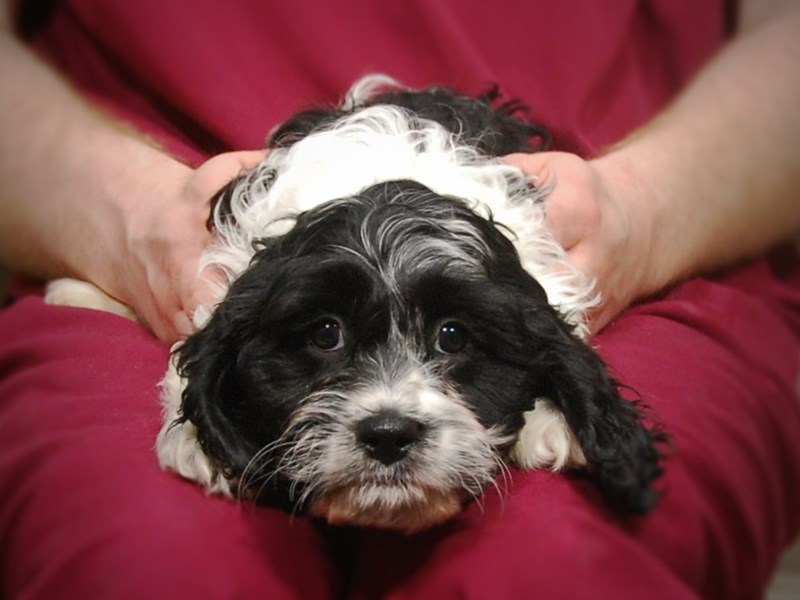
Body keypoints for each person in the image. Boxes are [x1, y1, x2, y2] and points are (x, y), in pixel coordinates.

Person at [0, 0, 798, 598]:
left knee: (559, 570)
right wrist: (123, 216)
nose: (390, 411)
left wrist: (641, 212)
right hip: (144, 224)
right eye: (325, 334)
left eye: (450, 339)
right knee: (151, 561)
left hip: (642, 220)